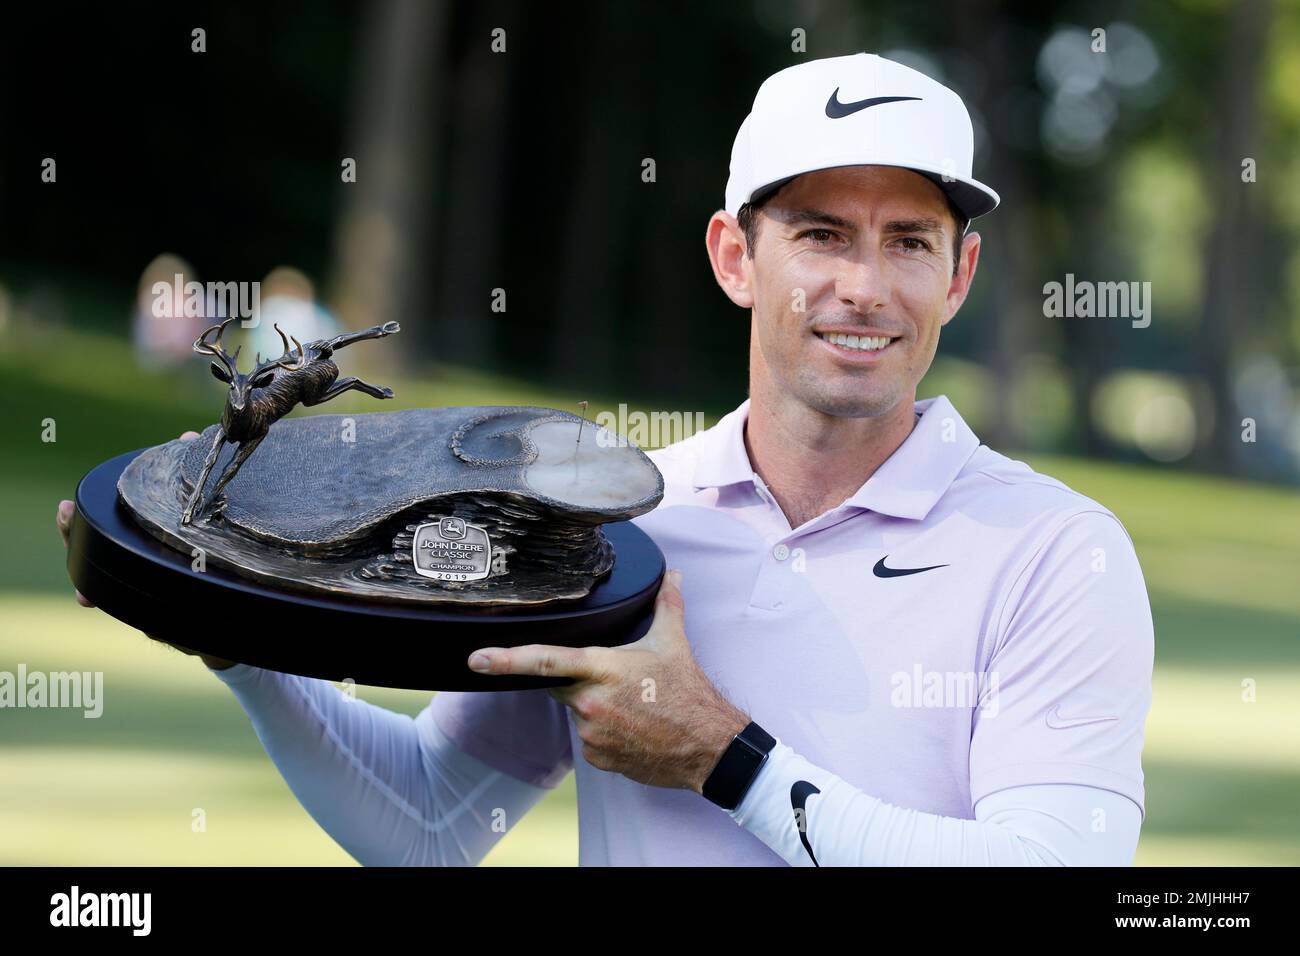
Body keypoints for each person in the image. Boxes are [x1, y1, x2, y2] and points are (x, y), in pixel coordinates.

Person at [57, 52, 1153, 866]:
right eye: (821, 233)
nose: (864, 285)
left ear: (958, 275)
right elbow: (435, 818)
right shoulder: (612, 528)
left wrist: (724, 757)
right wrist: (237, 628)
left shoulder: (1054, 553)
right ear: (736, 258)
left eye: (907, 241)